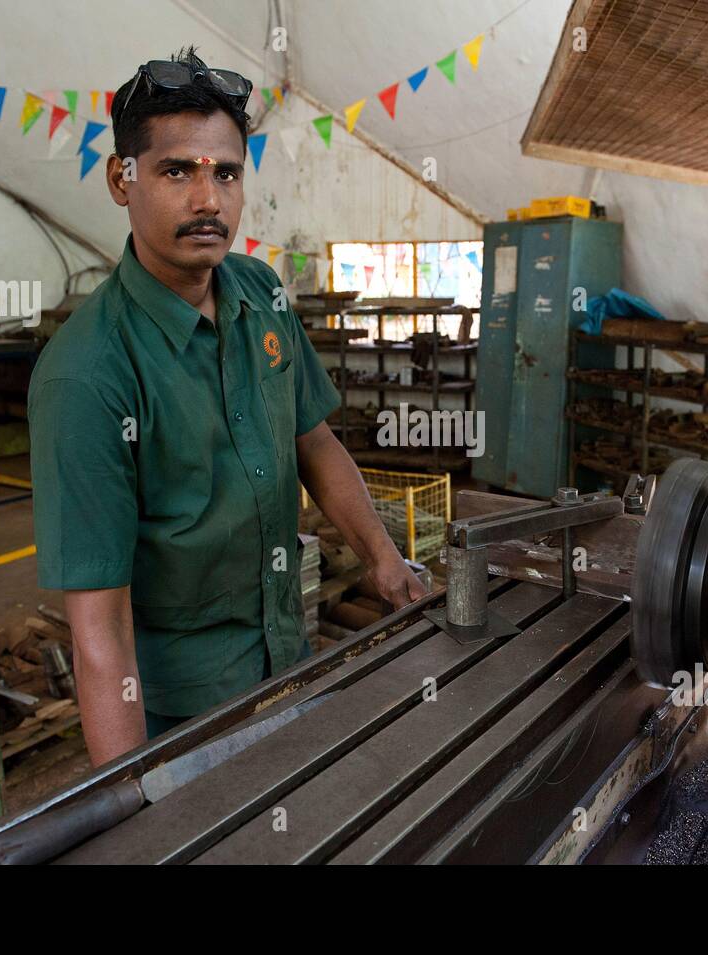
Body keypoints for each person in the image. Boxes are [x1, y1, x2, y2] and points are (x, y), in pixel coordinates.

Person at [28, 48, 426, 765]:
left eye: (227, 173)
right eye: (177, 170)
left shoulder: (259, 292)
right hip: (184, 718)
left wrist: (383, 557)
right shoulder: (87, 377)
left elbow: (315, 441)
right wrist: (135, 796)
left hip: (288, 657)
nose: (208, 199)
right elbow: (101, 629)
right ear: (122, 179)